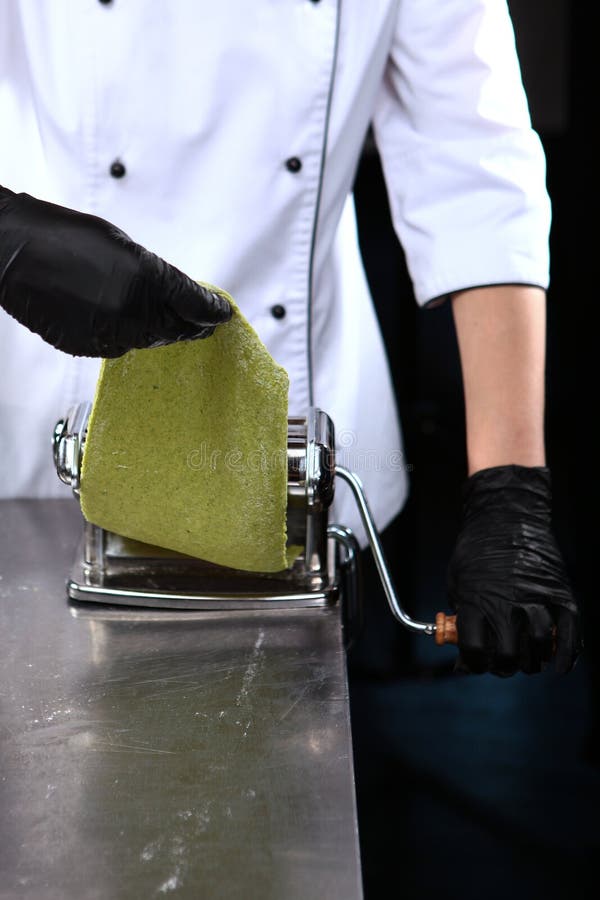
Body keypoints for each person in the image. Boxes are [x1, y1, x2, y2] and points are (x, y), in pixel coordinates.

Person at [0, 1, 580, 676]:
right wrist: (8, 239)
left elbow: (472, 159)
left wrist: (509, 490)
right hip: (48, 405)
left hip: (303, 458)